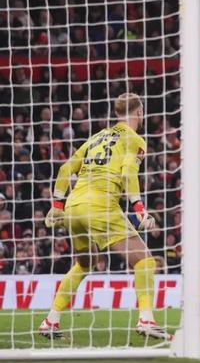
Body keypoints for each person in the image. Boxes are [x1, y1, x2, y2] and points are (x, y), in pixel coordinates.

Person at [38, 93, 167, 340]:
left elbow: (65, 168)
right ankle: (146, 320)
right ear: (139, 112)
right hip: (100, 205)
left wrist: (57, 204)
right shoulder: (134, 139)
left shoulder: (96, 137)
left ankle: (50, 321)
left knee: (84, 263)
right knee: (144, 261)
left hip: (73, 206)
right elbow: (128, 173)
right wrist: (139, 209)